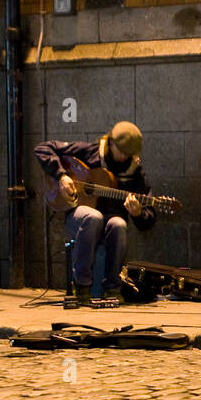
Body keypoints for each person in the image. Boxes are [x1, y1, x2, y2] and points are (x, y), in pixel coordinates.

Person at [33, 121, 158, 308]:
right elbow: (43, 148)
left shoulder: (135, 173)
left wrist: (138, 213)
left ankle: (112, 289)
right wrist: (61, 176)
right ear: (111, 143)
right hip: (78, 214)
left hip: (110, 220)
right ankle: (81, 287)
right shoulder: (89, 152)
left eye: (129, 152)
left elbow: (148, 220)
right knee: (93, 217)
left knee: (119, 224)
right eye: (121, 150)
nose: (124, 156)